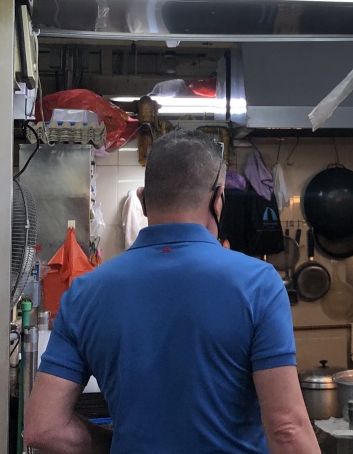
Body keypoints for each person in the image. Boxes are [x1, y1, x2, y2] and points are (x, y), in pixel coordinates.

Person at [23, 130, 320, 454]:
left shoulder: (84, 292)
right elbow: (287, 429)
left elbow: (43, 428)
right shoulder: (259, 284)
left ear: (143, 199)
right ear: (218, 198)